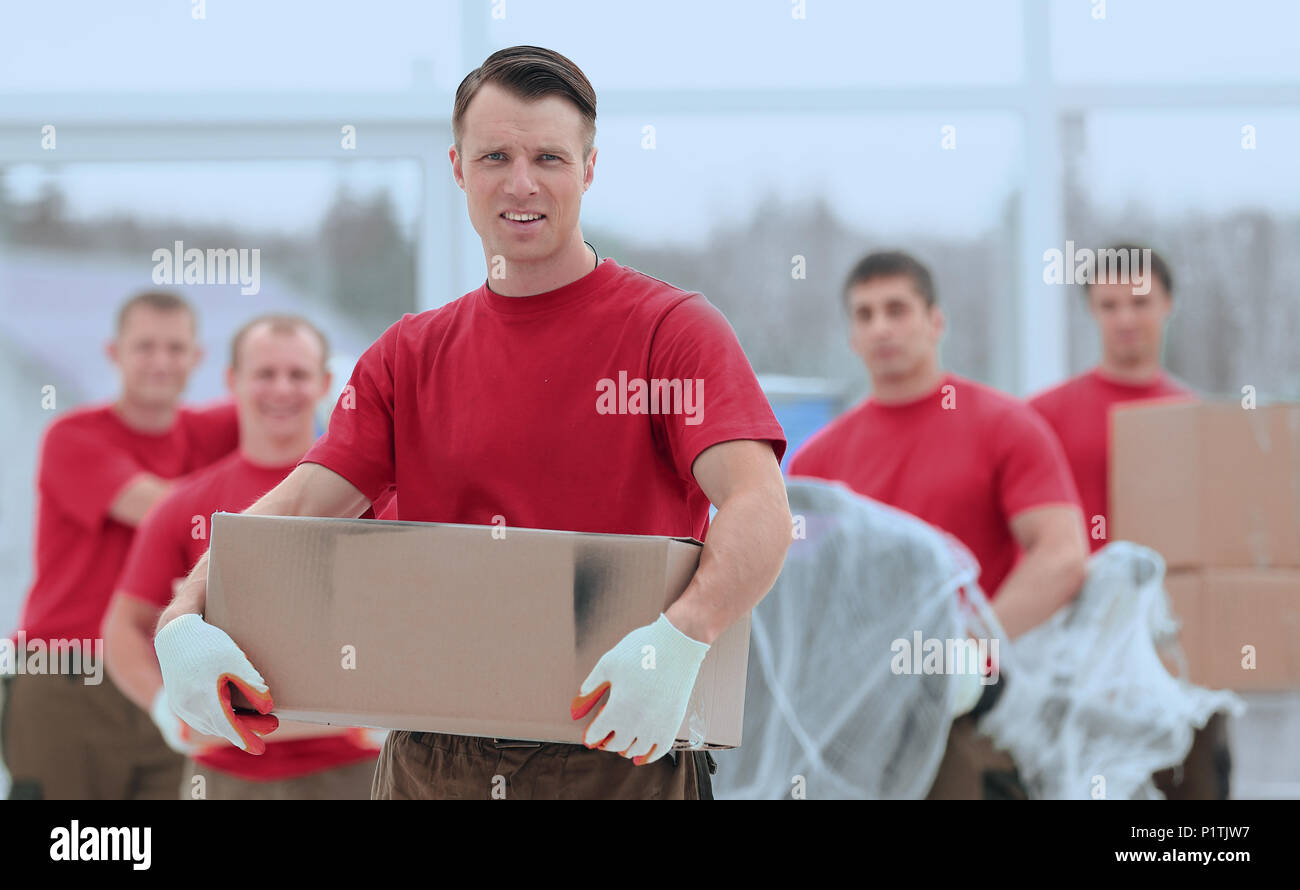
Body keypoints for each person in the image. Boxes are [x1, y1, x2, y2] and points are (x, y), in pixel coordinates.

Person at [150, 46, 791, 801]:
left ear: (589, 168)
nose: (521, 183)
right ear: (458, 168)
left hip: (617, 750)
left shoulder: (671, 331)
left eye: (548, 156)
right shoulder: (409, 355)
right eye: (495, 156)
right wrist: (184, 619)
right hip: (433, 763)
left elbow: (760, 508)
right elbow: (293, 513)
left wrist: (683, 638)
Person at [787, 250, 1088, 799]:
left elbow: (1063, 555)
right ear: (851, 335)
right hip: (854, 723)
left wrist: (968, 648)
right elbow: (795, 595)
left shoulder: (1004, 425)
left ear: (935, 321)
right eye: (865, 314)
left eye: (897, 309)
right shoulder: (817, 464)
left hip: (968, 709)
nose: (881, 327)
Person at [104, 314, 392, 800]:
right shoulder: (183, 506)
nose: (282, 389)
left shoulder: (380, 499)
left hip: (356, 773)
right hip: (222, 778)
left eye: (298, 374)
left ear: (324, 383)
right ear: (232, 381)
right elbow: (123, 627)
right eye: (265, 373)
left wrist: (397, 713)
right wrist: (163, 708)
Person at [1, 291, 238, 799]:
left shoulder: (213, 430)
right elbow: (160, 511)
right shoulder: (73, 436)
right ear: (115, 353)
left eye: (175, 348)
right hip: (68, 680)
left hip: (163, 680)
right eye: (145, 346)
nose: (160, 361)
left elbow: (290, 411)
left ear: (197, 357)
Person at [1027, 245, 1228, 800]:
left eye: (1140, 301)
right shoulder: (1040, 418)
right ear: (1091, 310)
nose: (1126, 318)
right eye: (1109, 304)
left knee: (1192, 794)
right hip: (1073, 646)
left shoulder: (1201, 422)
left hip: (1178, 642)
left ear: (1168, 305)